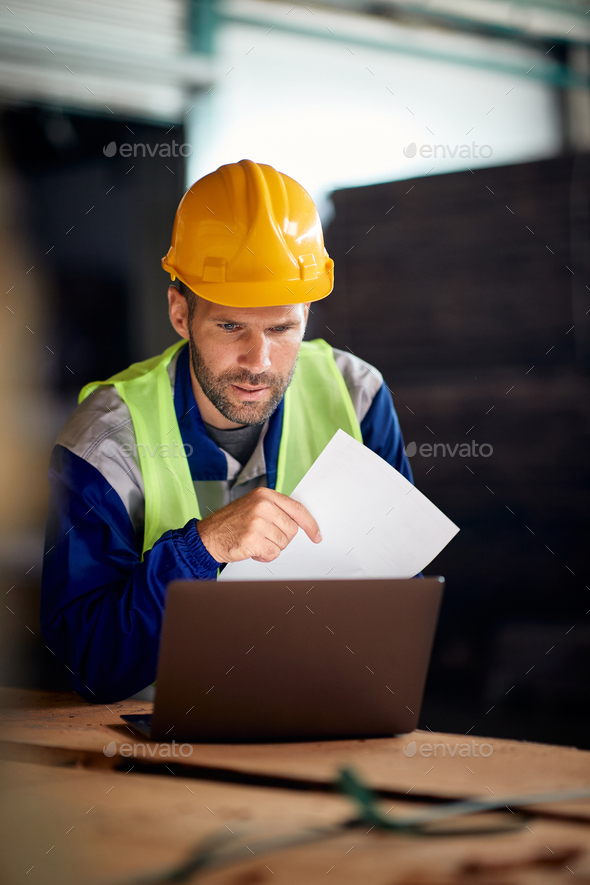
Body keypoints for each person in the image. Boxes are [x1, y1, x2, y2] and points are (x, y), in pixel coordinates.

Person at [40, 159, 413, 703]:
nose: (258, 362)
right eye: (231, 326)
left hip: (320, 718)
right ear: (179, 311)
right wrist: (202, 547)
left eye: (282, 328)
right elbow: (91, 664)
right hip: (148, 750)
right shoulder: (104, 442)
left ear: (307, 313)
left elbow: (393, 602)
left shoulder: (358, 398)